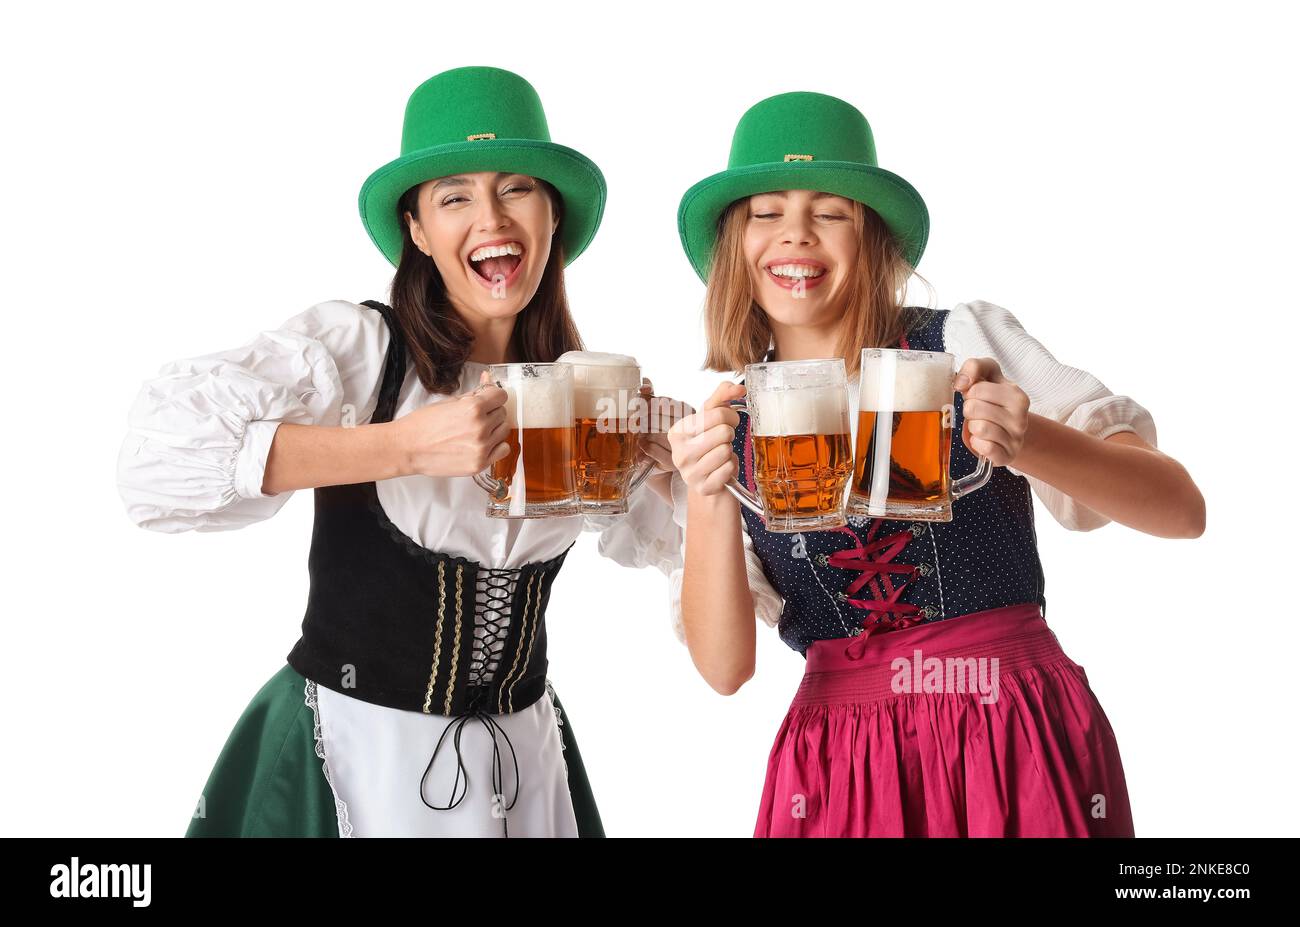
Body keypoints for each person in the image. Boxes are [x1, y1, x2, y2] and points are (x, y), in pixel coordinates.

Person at [116, 66, 683, 837]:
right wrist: (401, 446)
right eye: (454, 196)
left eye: (517, 188)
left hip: (524, 769)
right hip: (350, 758)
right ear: (417, 229)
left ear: (553, 217)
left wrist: (688, 469)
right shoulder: (361, 350)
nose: (491, 216)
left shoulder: (581, 396)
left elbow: (714, 585)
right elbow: (156, 461)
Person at [664, 90, 1206, 837]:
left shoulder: (961, 341)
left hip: (1011, 727)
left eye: (831, 211)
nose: (796, 234)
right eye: (765, 212)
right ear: (734, 246)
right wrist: (707, 495)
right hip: (842, 762)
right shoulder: (728, 422)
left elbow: (1182, 509)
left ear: (874, 236)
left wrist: (1032, 441)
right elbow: (726, 670)